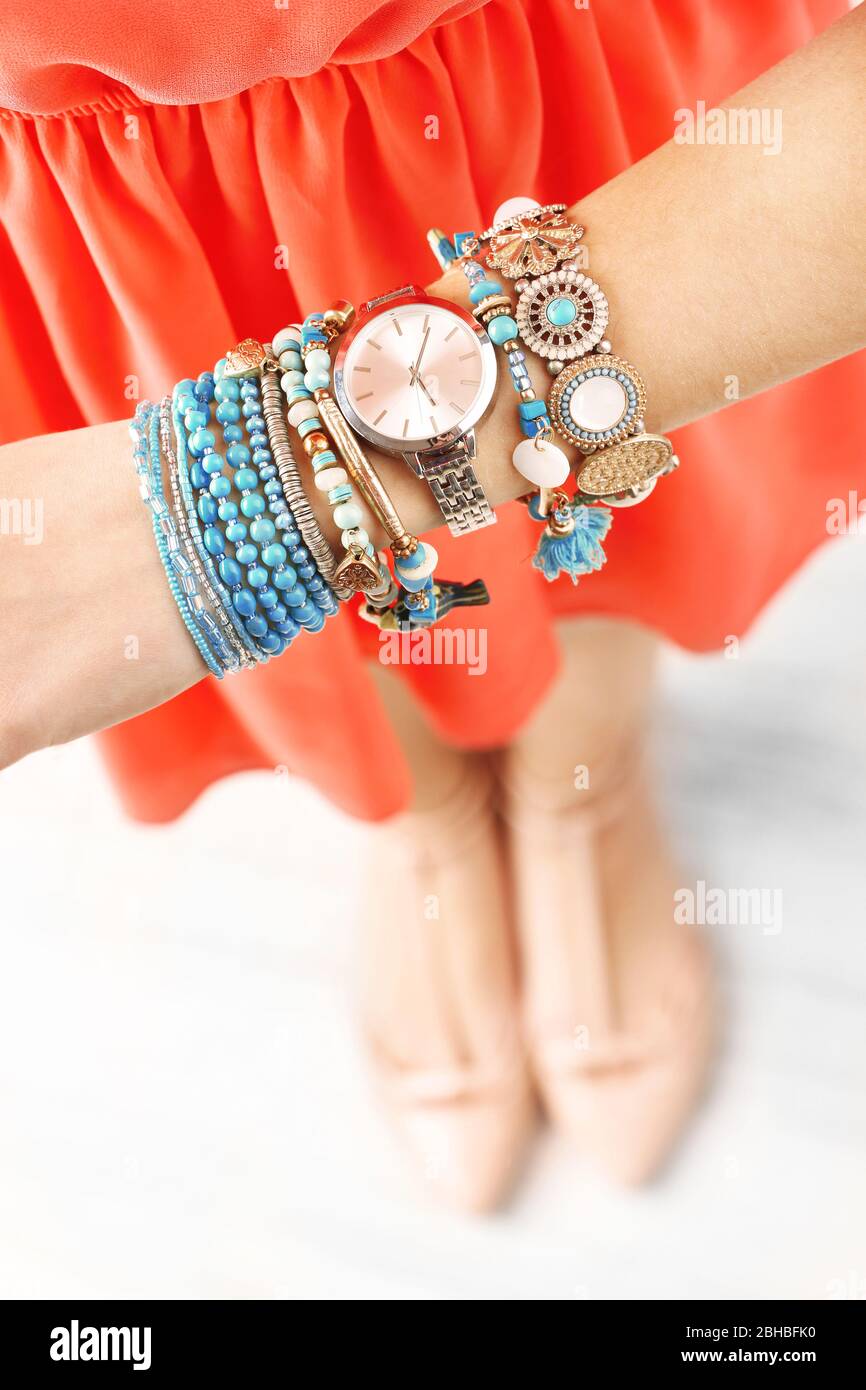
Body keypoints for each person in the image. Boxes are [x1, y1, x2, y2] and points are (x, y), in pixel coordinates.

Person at [1, 0, 864, 1210]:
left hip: (564, 66)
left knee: (603, 536)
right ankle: (433, 824)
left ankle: (582, 788)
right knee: (341, 638)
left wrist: (228, 497)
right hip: (81, 186)